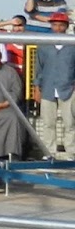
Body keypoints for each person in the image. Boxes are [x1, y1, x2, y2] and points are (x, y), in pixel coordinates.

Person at [33, 12, 75, 152]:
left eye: (61, 25)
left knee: (70, 123)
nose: (58, 28)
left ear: (66, 26)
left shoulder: (72, 44)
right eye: (55, 25)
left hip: (68, 89)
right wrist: (37, 88)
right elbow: (39, 67)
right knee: (48, 123)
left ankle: (71, 152)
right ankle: (49, 152)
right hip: (48, 88)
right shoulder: (44, 45)